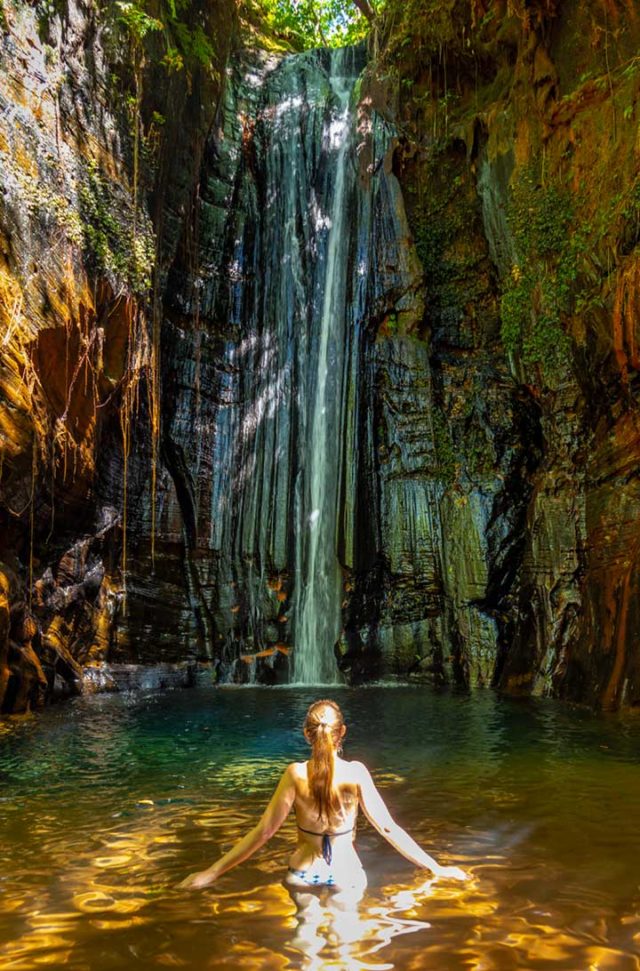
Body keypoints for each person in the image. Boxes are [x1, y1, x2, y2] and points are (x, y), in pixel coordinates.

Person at [178, 698, 468, 892]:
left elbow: (264, 832)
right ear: (342, 732)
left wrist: (212, 872)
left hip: (302, 875)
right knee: (347, 953)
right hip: (347, 874)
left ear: (307, 734)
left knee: (307, 954)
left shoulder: (294, 773)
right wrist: (435, 867)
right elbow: (388, 827)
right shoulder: (356, 772)